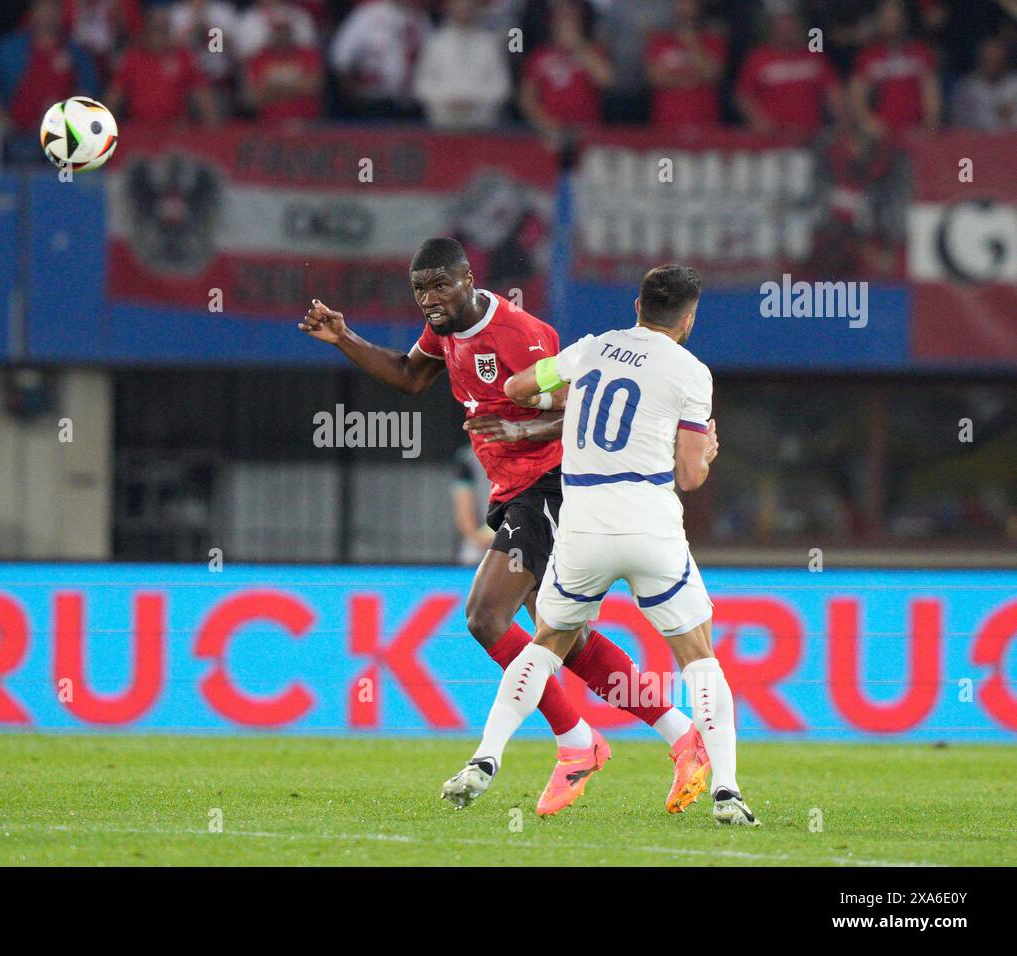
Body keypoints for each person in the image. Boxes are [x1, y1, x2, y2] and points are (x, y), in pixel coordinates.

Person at [299, 237, 710, 817]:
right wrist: (344, 338)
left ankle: (575, 742)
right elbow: (411, 377)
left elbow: (578, 406)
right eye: (420, 290)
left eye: (441, 285)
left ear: (469, 279)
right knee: (566, 641)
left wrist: (522, 436)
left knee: (486, 614)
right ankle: (677, 733)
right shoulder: (445, 331)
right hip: (513, 492)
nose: (430, 299)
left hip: (549, 488)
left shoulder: (520, 333)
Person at [441, 264, 760, 827]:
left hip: (583, 524)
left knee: (543, 647)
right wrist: (706, 452)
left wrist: (551, 405)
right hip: (649, 525)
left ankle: (486, 757)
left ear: (637, 306)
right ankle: (728, 793)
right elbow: (689, 476)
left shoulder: (592, 349)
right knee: (699, 659)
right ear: (688, 319)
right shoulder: (691, 372)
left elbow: (516, 388)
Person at [0, 0, 98, 143]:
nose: (48, 14)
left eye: (53, 8)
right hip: (12, 137)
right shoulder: (11, 47)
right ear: (33, 13)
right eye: (43, 8)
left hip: (58, 139)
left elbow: (89, 89)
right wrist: (0, 116)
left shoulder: (75, 53)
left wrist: (63, 112)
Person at [735, 1, 845, 136]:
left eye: (791, 20)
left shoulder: (815, 57)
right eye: (781, 21)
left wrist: (842, 124)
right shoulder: (757, 58)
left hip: (811, 137)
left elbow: (834, 93)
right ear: (770, 25)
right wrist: (760, 121)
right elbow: (744, 95)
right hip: (774, 138)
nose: (787, 27)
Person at [106, 6, 220, 130]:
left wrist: (212, 127)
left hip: (175, 129)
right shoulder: (132, 58)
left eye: (162, 30)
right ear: (145, 31)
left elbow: (202, 93)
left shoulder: (183, 56)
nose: (158, 35)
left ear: (168, 32)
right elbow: (115, 95)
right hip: (140, 129)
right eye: (154, 29)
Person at [520, 0, 612, 147]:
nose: (565, 27)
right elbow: (527, 99)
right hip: (550, 134)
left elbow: (606, 80)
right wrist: (545, 122)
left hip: (588, 132)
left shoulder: (594, 51)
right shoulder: (539, 55)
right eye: (560, 22)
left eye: (571, 22)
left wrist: (579, 48)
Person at [411, 0, 511, 130]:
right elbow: (422, 84)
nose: (464, 12)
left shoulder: (489, 44)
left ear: (477, 10)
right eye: (459, 7)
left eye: (469, 8)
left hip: (482, 123)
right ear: (450, 9)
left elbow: (501, 85)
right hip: (442, 122)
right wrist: (449, 101)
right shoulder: (435, 43)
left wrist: (472, 101)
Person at [849, 0, 941, 137]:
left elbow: (931, 95)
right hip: (880, 136)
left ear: (904, 20)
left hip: (914, 133)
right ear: (879, 20)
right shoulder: (868, 56)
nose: (891, 20)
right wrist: (868, 123)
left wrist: (930, 126)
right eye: (886, 16)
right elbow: (856, 96)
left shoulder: (921, 53)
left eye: (895, 16)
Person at [644, 0, 726, 131]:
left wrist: (691, 44)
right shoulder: (660, 40)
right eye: (680, 3)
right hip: (666, 123)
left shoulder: (713, 40)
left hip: (705, 123)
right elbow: (654, 78)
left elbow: (713, 75)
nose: (684, 8)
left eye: (689, 3)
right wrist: (690, 80)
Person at [951, 35, 1017, 130]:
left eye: (996, 60)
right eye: (987, 59)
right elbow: (958, 121)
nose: (992, 64)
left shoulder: (1014, 85)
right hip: (977, 141)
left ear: (1005, 60)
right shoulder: (966, 88)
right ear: (979, 59)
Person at [452, 444, 494, 565]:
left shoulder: (528, 453)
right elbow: (463, 511)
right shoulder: (468, 458)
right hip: (481, 540)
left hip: (518, 536)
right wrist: (478, 538)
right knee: (471, 553)